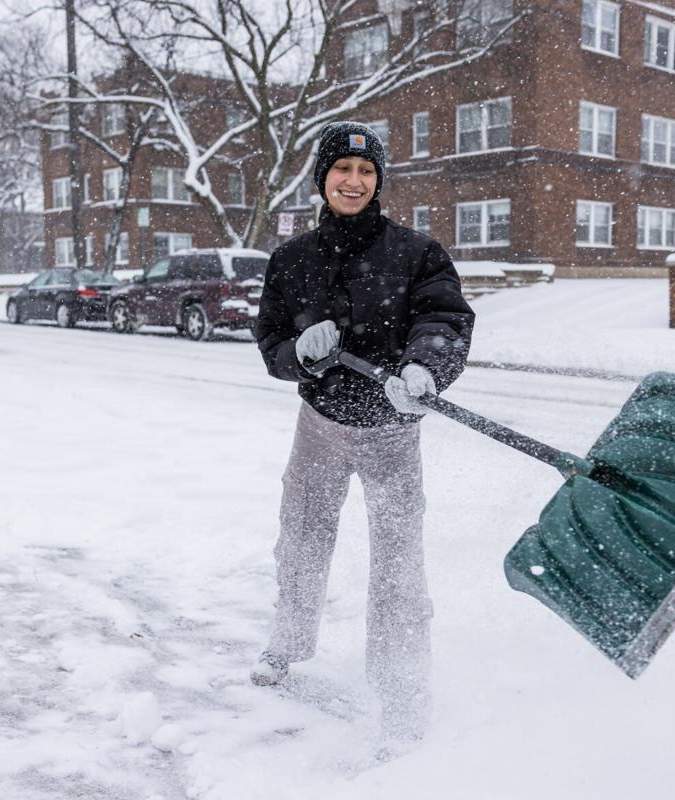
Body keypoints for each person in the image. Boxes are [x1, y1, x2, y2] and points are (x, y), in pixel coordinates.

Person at [251, 121, 475, 745]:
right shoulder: (291, 260)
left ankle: (402, 695)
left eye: (366, 171)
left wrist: (425, 369)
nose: (354, 181)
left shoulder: (417, 252)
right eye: (343, 170)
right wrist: (300, 353)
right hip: (319, 426)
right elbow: (271, 344)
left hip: (392, 433)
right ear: (322, 179)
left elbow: (444, 318)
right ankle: (287, 643)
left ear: (378, 181)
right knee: (301, 538)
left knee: (398, 566)